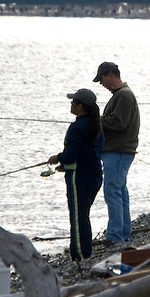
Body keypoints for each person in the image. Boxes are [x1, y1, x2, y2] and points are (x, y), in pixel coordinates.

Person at [48, 88, 104, 262]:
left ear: (80, 106)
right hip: (94, 176)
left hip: (79, 178)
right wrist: (66, 165)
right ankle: (83, 252)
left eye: (73, 102)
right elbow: (87, 153)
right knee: (83, 215)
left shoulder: (77, 127)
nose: (71, 104)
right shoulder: (96, 125)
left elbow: (71, 154)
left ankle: (81, 255)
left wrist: (58, 158)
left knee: (78, 218)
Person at [93, 61, 140, 245]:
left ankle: (115, 236)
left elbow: (119, 123)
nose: (101, 83)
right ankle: (123, 232)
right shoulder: (121, 95)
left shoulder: (124, 96)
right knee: (120, 191)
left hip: (119, 151)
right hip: (121, 151)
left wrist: (97, 120)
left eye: (102, 79)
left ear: (111, 75)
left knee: (112, 191)